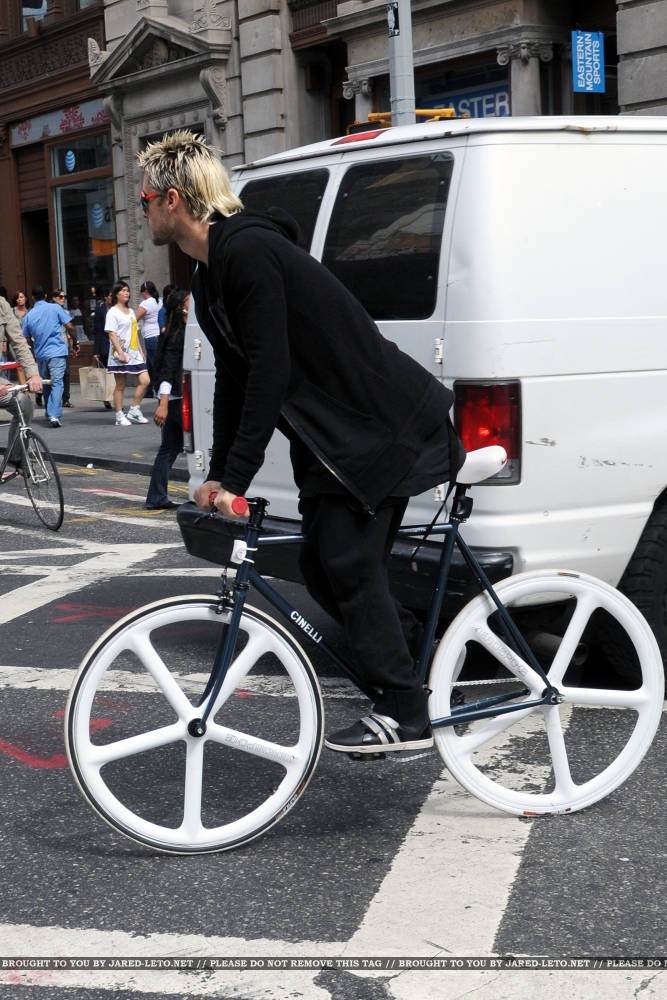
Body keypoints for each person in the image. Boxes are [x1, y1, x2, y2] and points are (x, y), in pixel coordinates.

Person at [138, 130, 465, 755]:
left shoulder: (249, 253)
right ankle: (412, 667)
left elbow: (272, 372)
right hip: (334, 444)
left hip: (380, 428)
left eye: (146, 199)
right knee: (319, 565)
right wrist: (218, 473)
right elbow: (236, 383)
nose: (144, 212)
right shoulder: (211, 278)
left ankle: (405, 712)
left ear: (173, 199)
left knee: (347, 561)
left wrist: (235, 477)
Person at [145, 289, 188, 510]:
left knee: (170, 448)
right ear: (182, 308)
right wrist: (162, 404)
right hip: (175, 400)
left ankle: (156, 497)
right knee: (177, 447)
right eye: (190, 302)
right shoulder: (178, 335)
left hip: (174, 400)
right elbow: (168, 371)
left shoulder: (176, 331)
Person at [23, 286, 78, 428]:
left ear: (33, 297)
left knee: (47, 383)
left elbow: (26, 337)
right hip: (57, 351)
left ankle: (49, 412)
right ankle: (54, 414)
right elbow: (70, 326)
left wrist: (34, 349)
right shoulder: (55, 308)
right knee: (57, 382)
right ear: (46, 295)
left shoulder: (29, 314)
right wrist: (75, 342)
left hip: (41, 354)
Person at [0, 287, 42, 460]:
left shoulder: (2, 305)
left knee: (24, 405)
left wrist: (33, 374)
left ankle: (16, 458)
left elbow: (19, 343)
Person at [105, 281, 150, 426]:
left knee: (145, 380)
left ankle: (134, 409)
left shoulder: (131, 311)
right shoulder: (112, 312)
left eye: (128, 290)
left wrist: (141, 351)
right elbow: (112, 334)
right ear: (116, 294)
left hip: (134, 352)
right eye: (123, 290)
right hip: (120, 353)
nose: (126, 293)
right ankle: (119, 415)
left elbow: (135, 332)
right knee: (120, 385)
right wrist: (120, 352)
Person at [135, 280, 160, 396]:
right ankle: (149, 390)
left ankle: (159, 388)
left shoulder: (146, 303)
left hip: (150, 337)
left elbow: (135, 318)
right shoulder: (158, 301)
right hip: (157, 334)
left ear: (145, 292)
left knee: (153, 363)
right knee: (150, 364)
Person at [92, 287, 113, 410]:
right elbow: (97, 331)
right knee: (106, 372)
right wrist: (96, 351)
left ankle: (115, 397)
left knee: (115, 374)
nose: (112, 298)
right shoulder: (100, 309)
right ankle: (106, 398)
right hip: (105, 345)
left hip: (116, 346)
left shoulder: (117, 309)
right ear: (105, 297)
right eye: (110, 296)